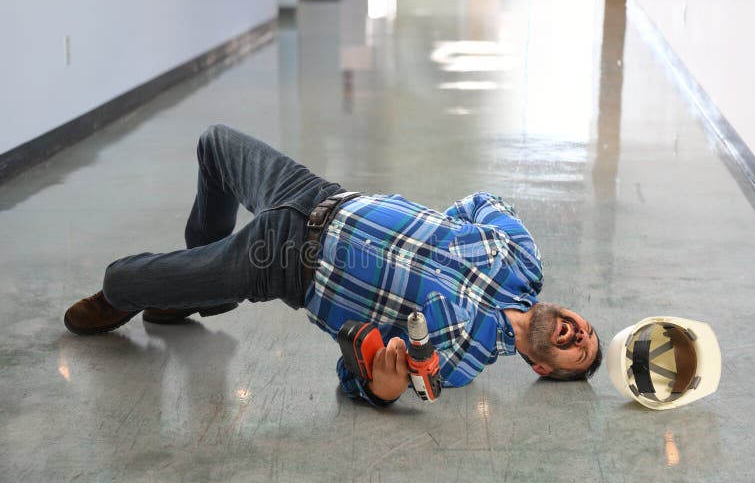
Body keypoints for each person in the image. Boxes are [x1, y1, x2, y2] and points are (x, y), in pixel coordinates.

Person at [64, 125, 602, 406]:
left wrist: (379, 391)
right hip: (318, 193)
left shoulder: (459, 362)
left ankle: (192, 285)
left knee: (120, 279)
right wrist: (437, 226)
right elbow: (485, 203)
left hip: (281, 262)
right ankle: (201, 289)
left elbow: (353, 370)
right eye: (587, 330)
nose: (578, 334)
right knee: (214, 144)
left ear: (542, 367)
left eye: (578, 352)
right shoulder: (524, 260)